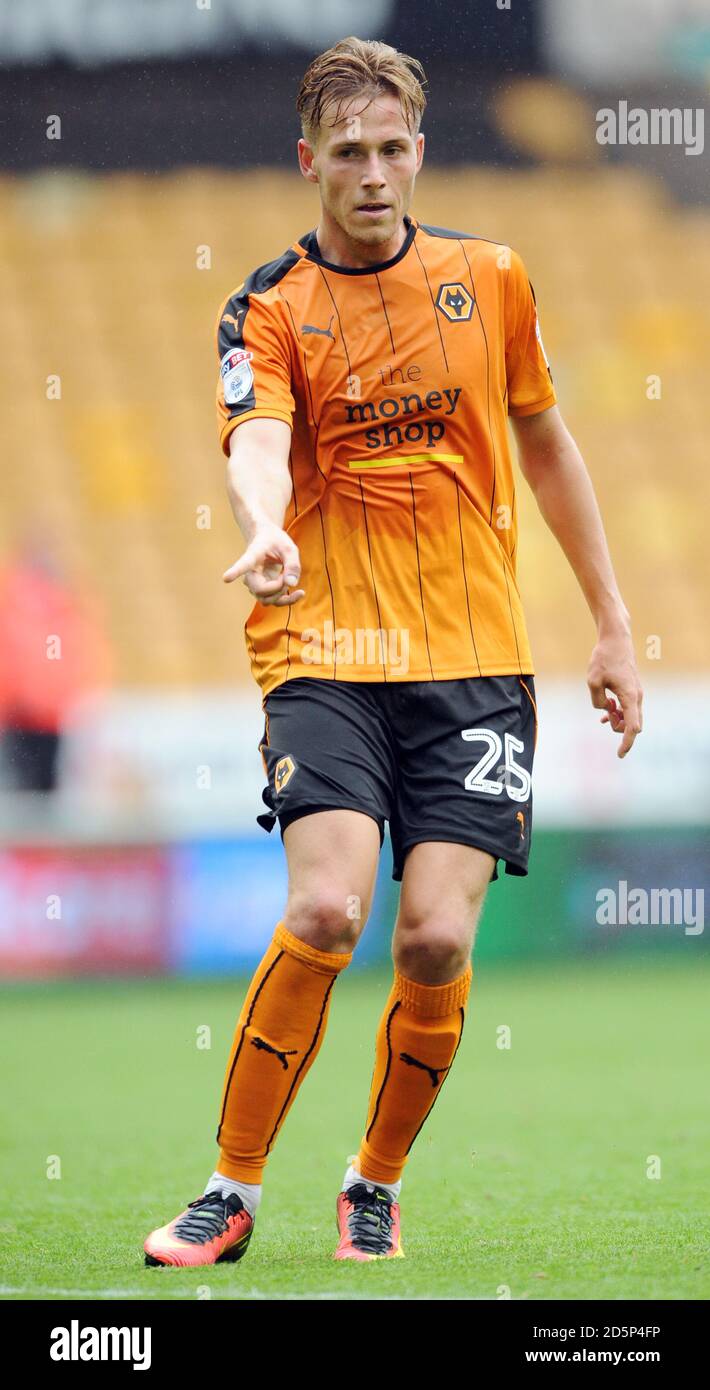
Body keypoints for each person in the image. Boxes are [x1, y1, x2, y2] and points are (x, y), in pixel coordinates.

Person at [144, 35, 643, 1268]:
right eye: (346, 154)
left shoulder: (492, 278)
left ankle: (372, 1178)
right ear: (306, 161)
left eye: (390, 150)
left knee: (431, 940)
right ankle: (232, 1187)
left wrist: (612, 621)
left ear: (417, 153)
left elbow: (548, 448)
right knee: (325, 903)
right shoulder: (266, 304)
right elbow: (252, 439)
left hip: (470, 655)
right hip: (323, 642)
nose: (370, 174)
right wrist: (263, 523)